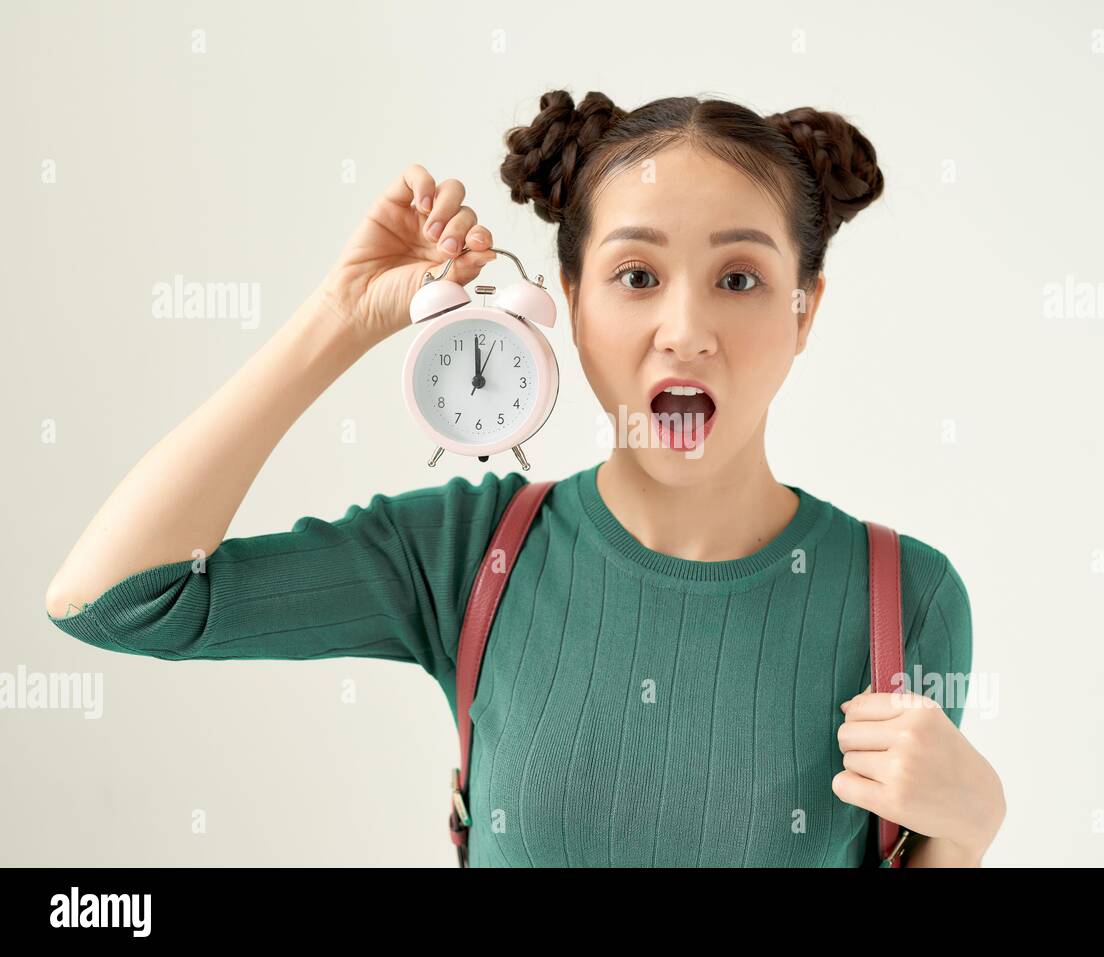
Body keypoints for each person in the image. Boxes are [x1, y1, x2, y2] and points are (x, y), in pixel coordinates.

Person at [45, 89, 1005, 867]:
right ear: (570, 300)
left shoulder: (905, 599)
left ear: (806, 309)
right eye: (636, 275)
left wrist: (965, 831)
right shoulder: (468, 555)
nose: (686, 328)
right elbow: (113, 600)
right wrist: (340, 316)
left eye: (740, 278)